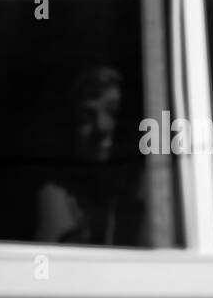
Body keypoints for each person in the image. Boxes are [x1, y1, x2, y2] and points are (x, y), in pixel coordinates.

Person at [32, 65, 145, 245]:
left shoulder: (152, 191)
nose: (101, 126)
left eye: (114, 113)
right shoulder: (61, 195)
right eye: (86, 117)